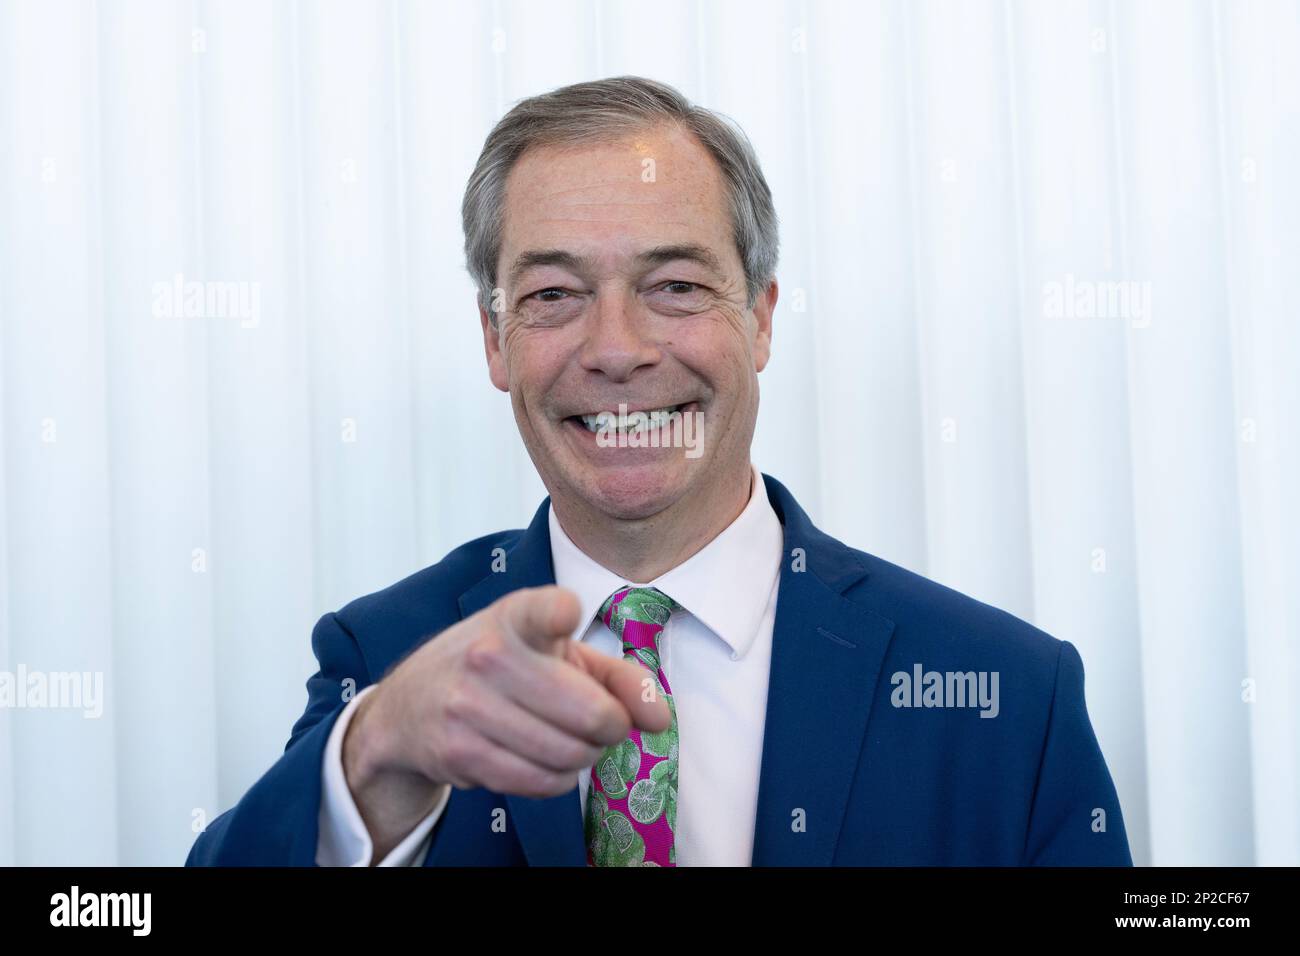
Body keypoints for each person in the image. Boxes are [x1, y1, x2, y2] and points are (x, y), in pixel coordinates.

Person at [186, 75, 1131, 867]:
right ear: (496, 341)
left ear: (759, 319)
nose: (617, 348)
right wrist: (378, 753)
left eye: (674, 286)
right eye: (554, 295)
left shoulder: (1007, 692)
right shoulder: (386, 660)